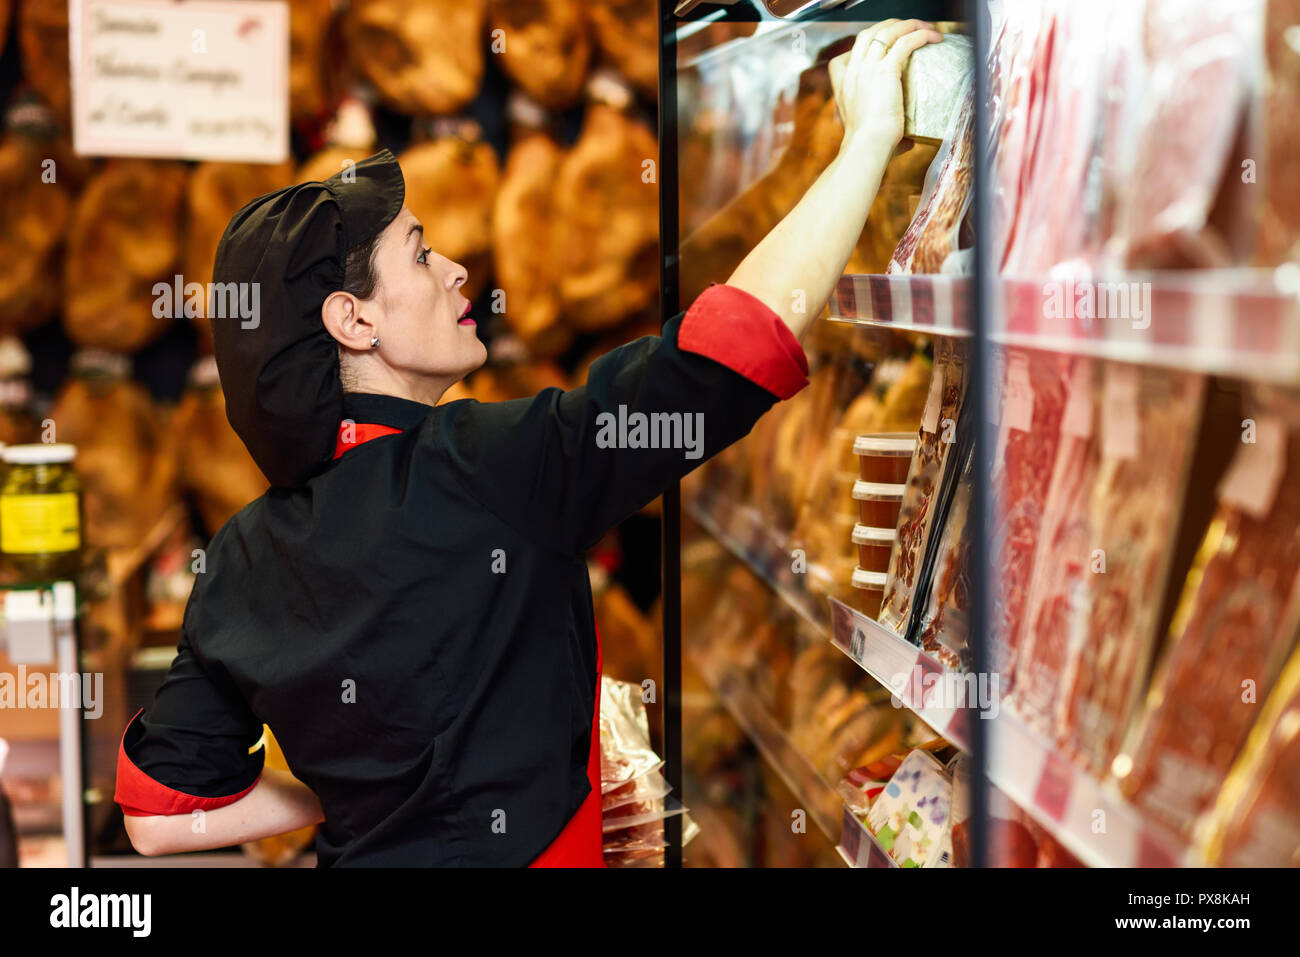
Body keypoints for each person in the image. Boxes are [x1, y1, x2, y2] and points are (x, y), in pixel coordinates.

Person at [114, 20, 943, 866]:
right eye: (421, 253)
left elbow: (159, 812)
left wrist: (360, 796)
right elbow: (723, 354)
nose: (456, 270)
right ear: (352, 319)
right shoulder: (486, 466)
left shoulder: (244, 558)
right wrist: (867, 141)